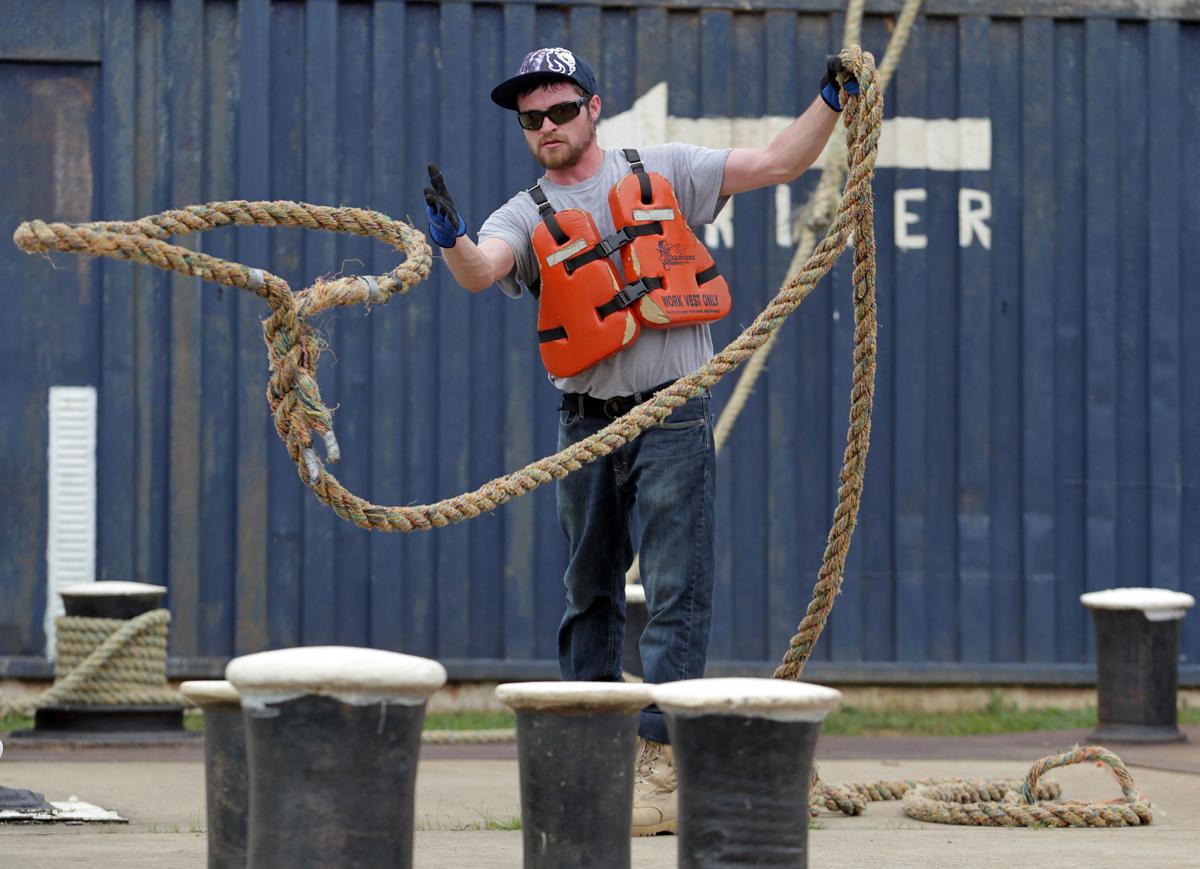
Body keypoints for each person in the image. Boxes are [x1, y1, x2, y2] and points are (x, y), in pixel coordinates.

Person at [424, 46, 852, 836]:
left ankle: (661, 761)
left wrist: (830, 98)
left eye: (559, 108)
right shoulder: (519, 214)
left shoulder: (665, 170)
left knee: (676, 589)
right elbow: (484, 271)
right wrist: (450, 240)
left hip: (674, 416)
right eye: (530, 117)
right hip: (586, 426)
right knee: (588, 591)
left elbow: (779, 162)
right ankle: (588, 751)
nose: (546, 125)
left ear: (593, 104)